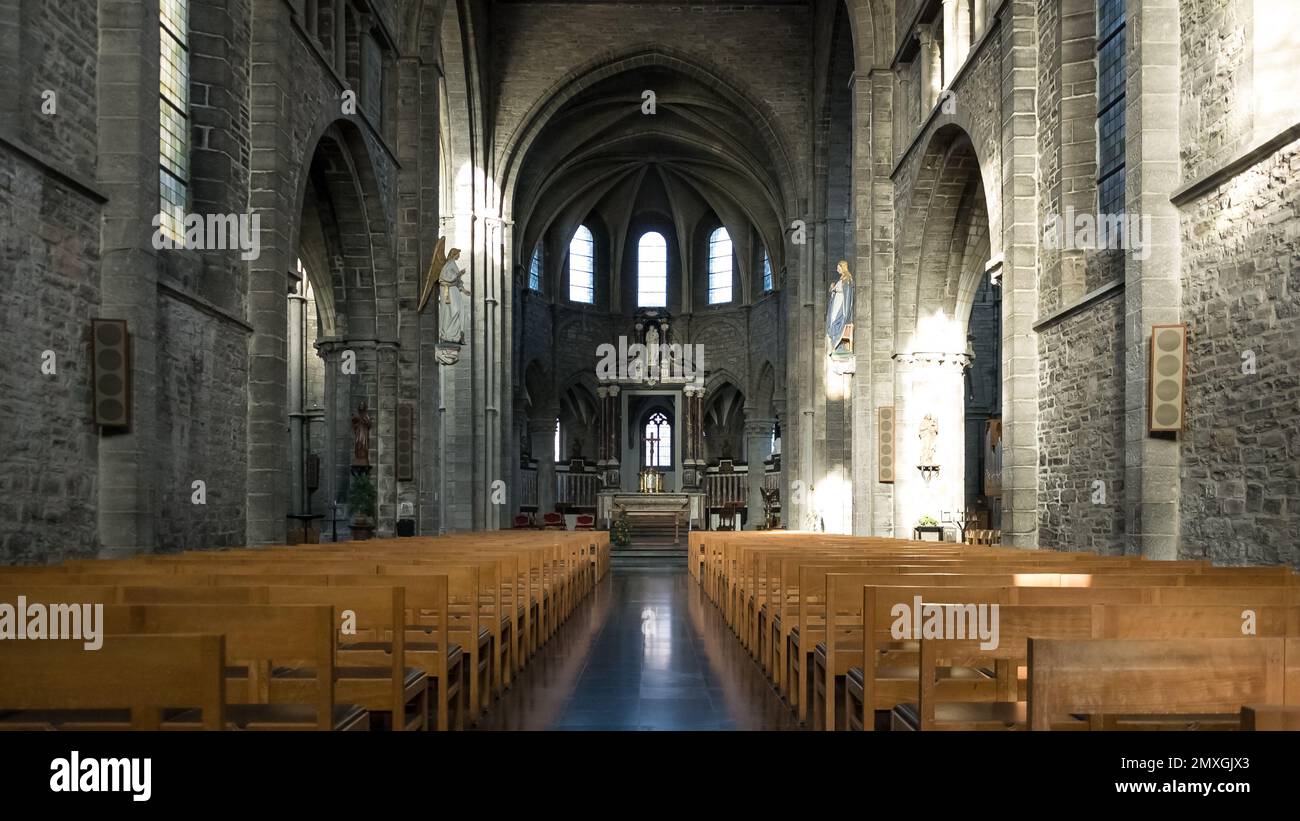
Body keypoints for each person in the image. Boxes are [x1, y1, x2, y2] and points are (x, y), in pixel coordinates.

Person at [439, 248, 470, 344]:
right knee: (452, 311)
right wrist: (459, 274)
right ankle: (448, 335)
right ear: (454, 254)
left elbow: (457, 280)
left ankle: (455, 335)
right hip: (449, 291)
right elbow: (445, 277)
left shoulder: (454, 264)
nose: (459, 256)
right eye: (458, 254)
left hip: (454, 291)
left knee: (459, 311)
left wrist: (464, 290)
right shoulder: (448, 264)